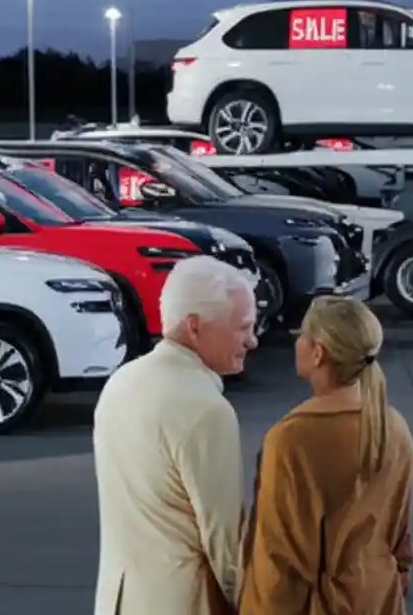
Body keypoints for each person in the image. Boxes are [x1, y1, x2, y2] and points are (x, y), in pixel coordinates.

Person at [92, 255, 260, 615]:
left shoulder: (121, 382)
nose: (253, 341)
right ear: (195, 326)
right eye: (243, 327)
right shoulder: (206, 411)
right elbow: (225, 541)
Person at [239, 295, 413, 615]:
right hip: (380, 599)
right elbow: (400, 540)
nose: (298, 343)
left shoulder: (292, 438)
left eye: (302, 336)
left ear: (318, 352)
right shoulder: (395, 426)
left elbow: (279, 561)